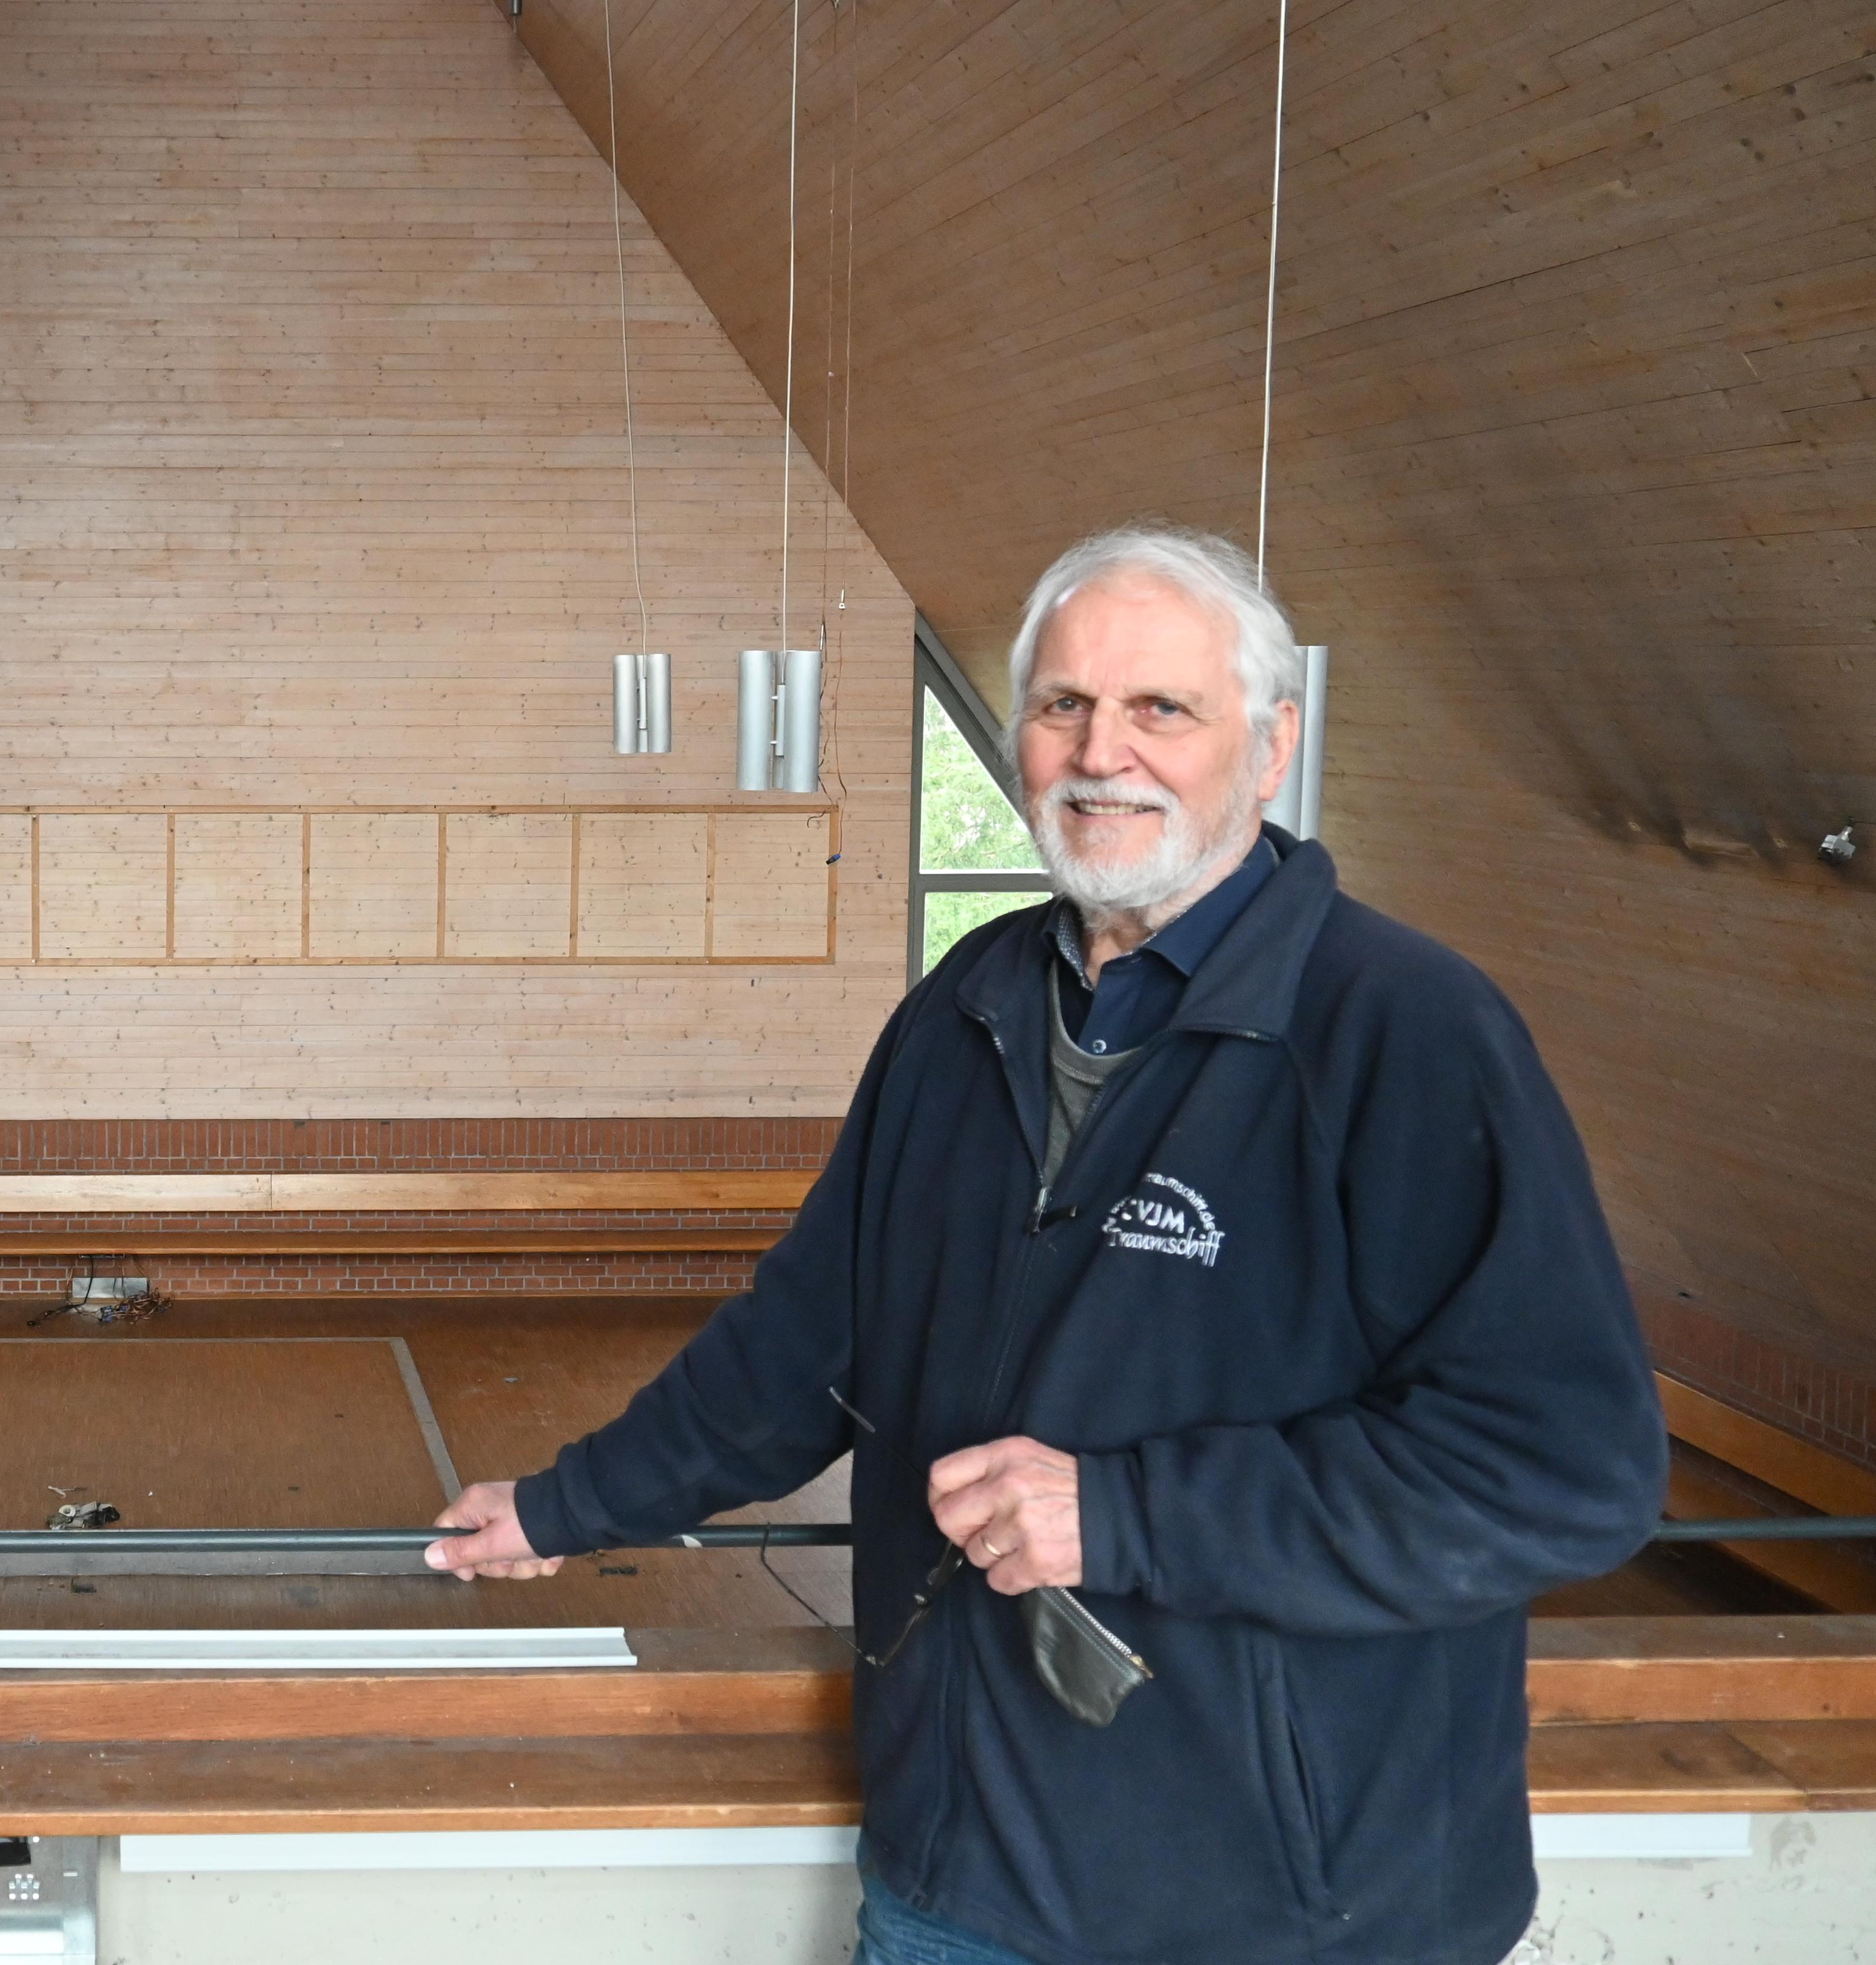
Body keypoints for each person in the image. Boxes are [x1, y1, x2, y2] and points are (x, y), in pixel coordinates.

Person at [426, 526, 1666, 1965]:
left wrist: (1131, 1513)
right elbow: (806, 1346)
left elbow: (1567, 1470)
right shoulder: (966, 1005)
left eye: (1161, 708)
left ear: (1271, 746)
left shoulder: (1410, 1033)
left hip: (1286, 1921)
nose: (1100, 751)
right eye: (1062, 703)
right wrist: (570, 1505)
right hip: (957, 1883)